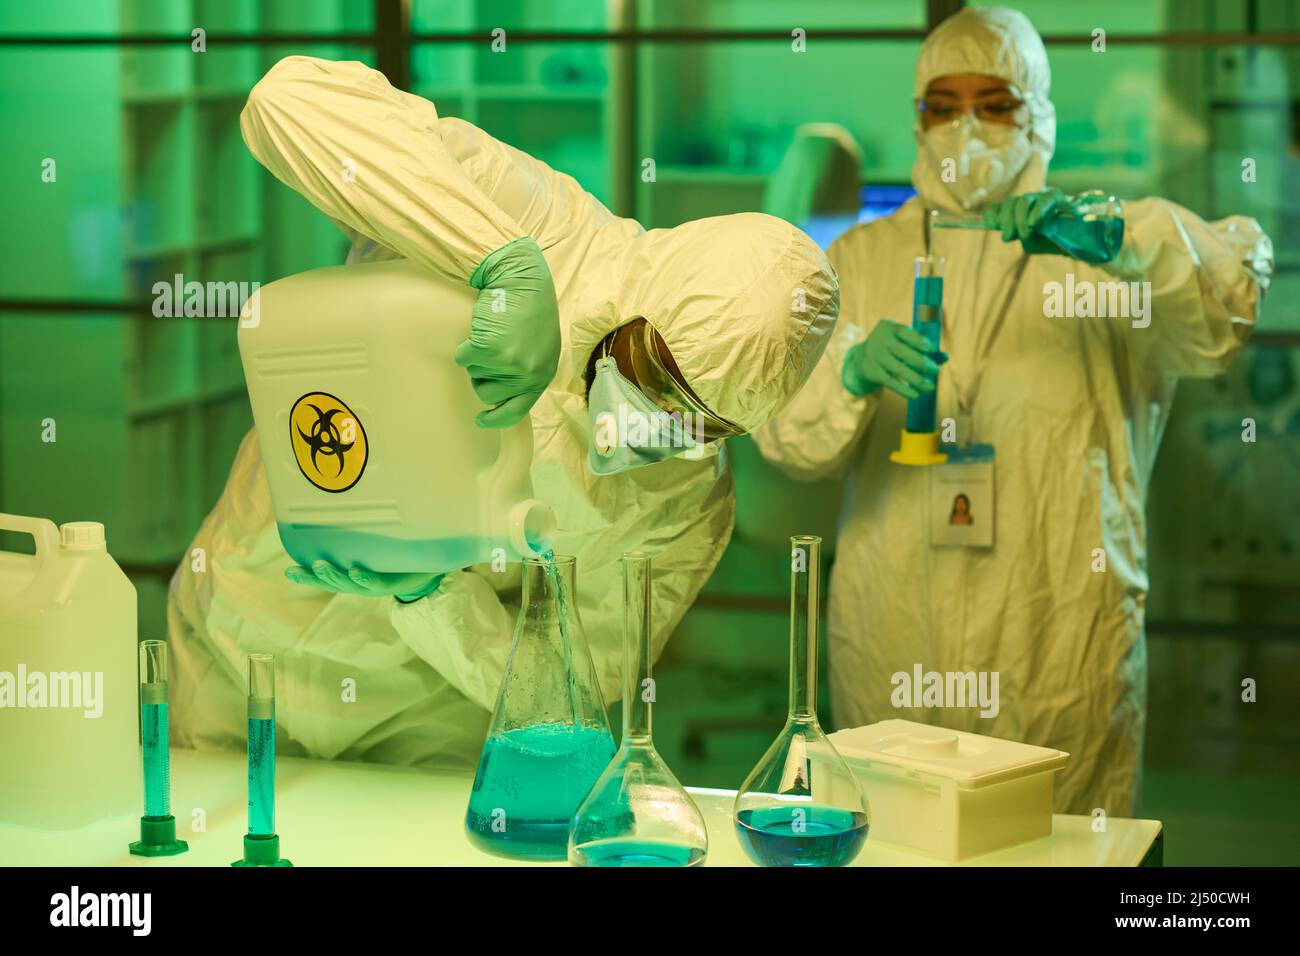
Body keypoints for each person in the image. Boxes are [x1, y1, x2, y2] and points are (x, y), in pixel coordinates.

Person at [168, 56, 838, 768]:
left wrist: (432, 598)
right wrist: (494, 256)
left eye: (698, 423)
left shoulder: (686, 503)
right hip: (249, 631)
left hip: (425, 712)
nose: (650, 423)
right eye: (654, 376)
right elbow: (287, 102)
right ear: (649, 306)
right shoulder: (537, 217)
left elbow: (584, 677)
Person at [754, 6, 1272, 816]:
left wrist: (1116, 238)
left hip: (1060, 624)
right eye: (943, 105)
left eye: (995, 104)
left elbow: (1231, 297)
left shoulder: (1105, 258)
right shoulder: (861, 258)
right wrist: (848, 375)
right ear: (917, 119)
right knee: (898, 831)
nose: (967, 127)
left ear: (1040, 116)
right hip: (897, 621)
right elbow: (788, 443)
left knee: (1054, 831)